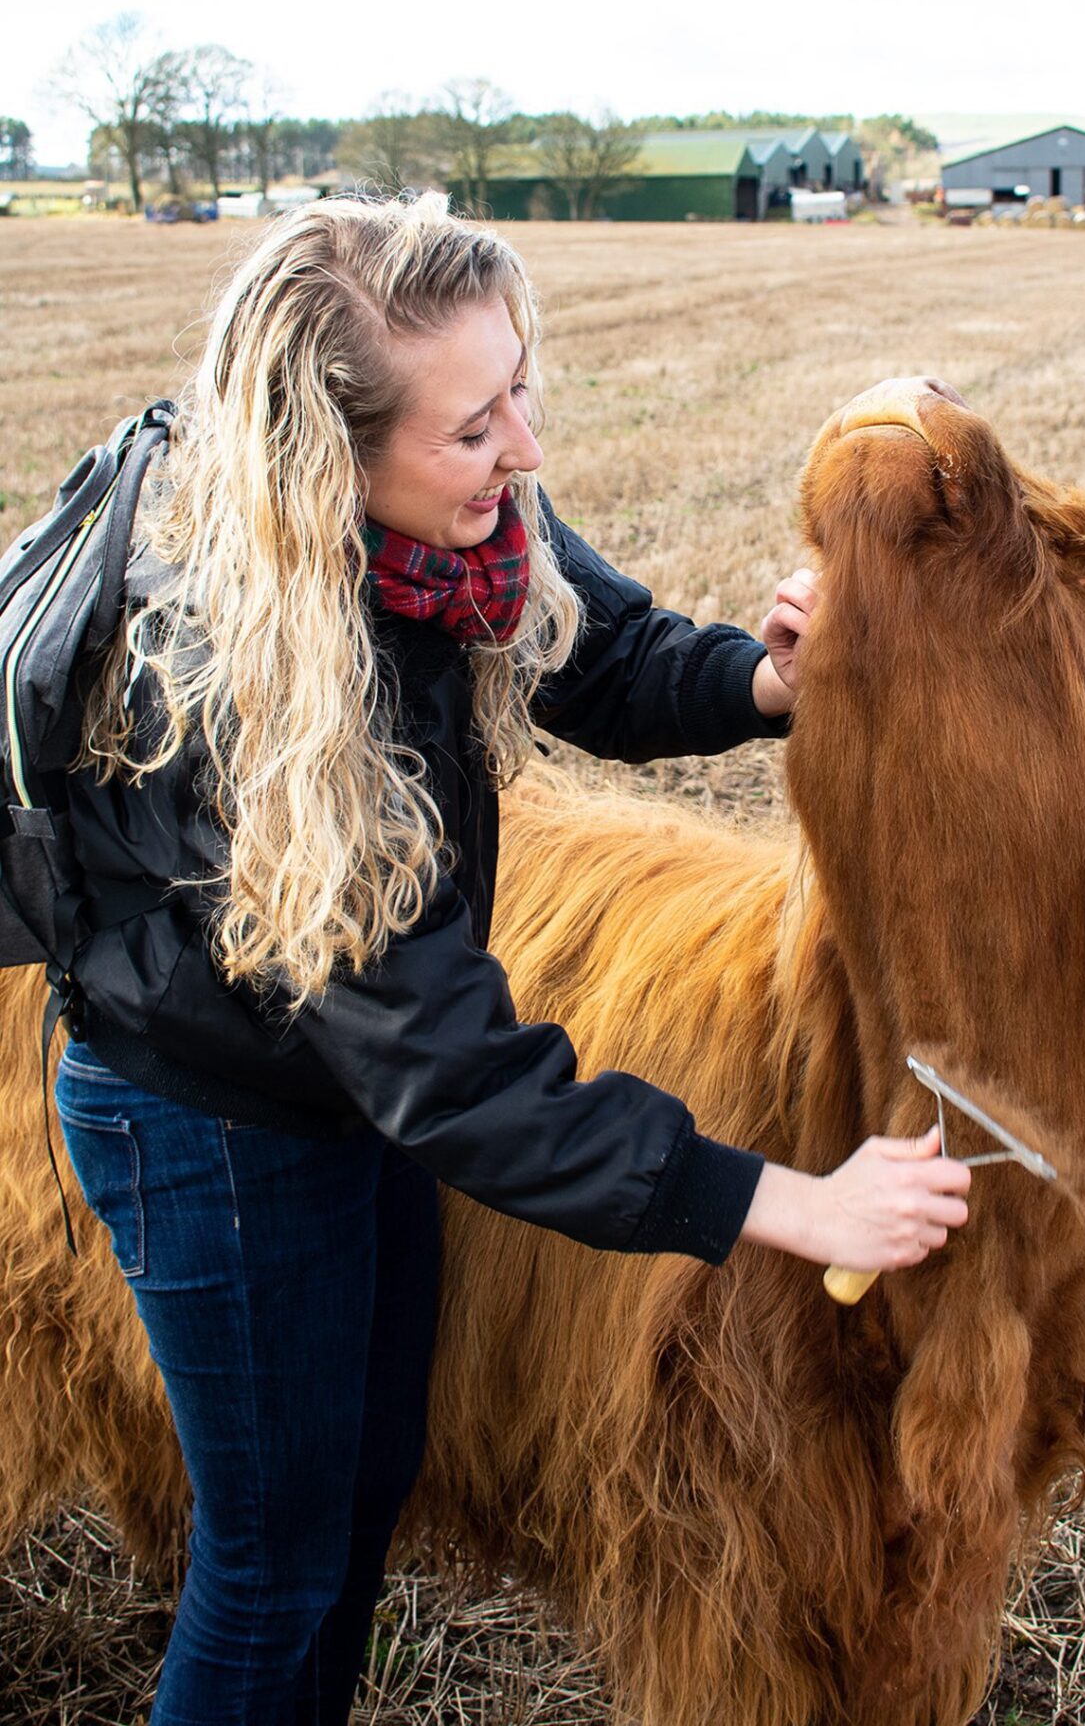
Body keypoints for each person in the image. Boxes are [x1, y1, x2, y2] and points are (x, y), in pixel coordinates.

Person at [54, 192, 972, 1726]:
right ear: (325, 461)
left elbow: (593, 648)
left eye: (520, 393)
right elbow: (465, 1084)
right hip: (208, 1131)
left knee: (362, 1501)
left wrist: (767, 678)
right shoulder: (273, 693)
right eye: (474, 427)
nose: (525, 452)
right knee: (275, 1564)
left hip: (335, 1091)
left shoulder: (458, 541)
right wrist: (794, 1202)